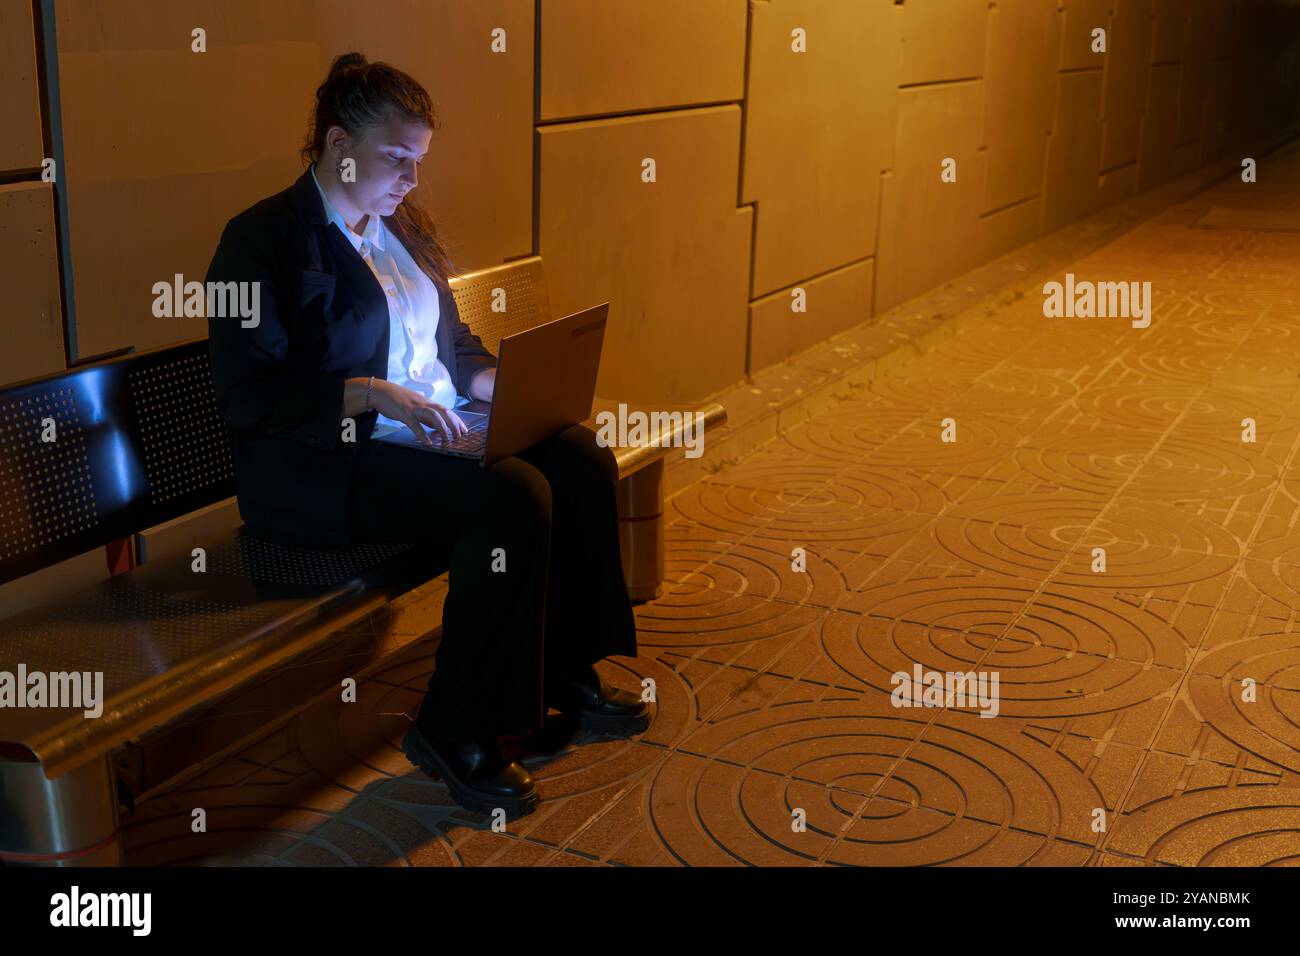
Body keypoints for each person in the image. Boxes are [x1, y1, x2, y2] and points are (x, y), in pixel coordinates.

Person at [204, 52, 648, 819]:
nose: (412, 180)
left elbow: (450, 344)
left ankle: (561, 673)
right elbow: (249, 398)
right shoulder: (261, 243)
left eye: (419, 162)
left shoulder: (399, 227)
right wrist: (371, 394)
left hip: (426, 438)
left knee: (576, 455)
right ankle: (457, 728)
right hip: (329, 466)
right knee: (509, 497)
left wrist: (493, 387)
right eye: (398, 159)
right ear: (340, 145)